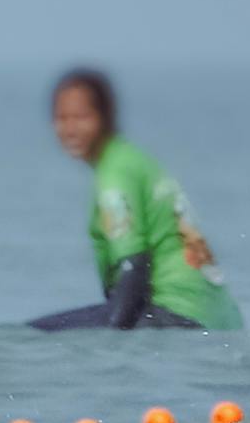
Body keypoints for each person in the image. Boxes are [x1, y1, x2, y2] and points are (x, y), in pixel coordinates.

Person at [33, 70, 236, 331]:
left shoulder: (114, 175)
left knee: (36, 334)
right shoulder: (130, 159)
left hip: (179, 314)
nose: (70, 129)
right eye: (62, 118)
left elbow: (134, 267)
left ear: (105, 117)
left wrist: (113, 345)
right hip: (218, 316)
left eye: (81, 117)